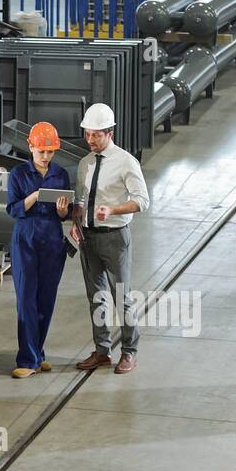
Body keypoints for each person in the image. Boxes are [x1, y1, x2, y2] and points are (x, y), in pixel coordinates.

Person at [72, 104, 150, 376]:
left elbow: (143, 201)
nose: (90, 140)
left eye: (96, 135)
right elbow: (81, 200)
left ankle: (129, 352)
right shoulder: (85, 164)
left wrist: (114, 210)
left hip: (115, 238)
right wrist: (75, 221)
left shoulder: (126, 162)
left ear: (110, 133)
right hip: (89, 238)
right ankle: (102, 351)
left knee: (122, 297)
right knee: (96, 298)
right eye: (88, 134)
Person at [5, 121, 73, 379]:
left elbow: (64, 214)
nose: (45, 157)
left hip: (52, 240)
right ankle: (27, 359)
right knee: (26, 300)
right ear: (30, 147)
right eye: (41, 151)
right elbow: (12, 209)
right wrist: (32, 198)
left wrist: (63, 211)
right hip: (27, 240)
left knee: (46, 299)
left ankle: (38, 353)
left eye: (50, 152)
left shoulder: (61, 174)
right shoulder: (18, 175)